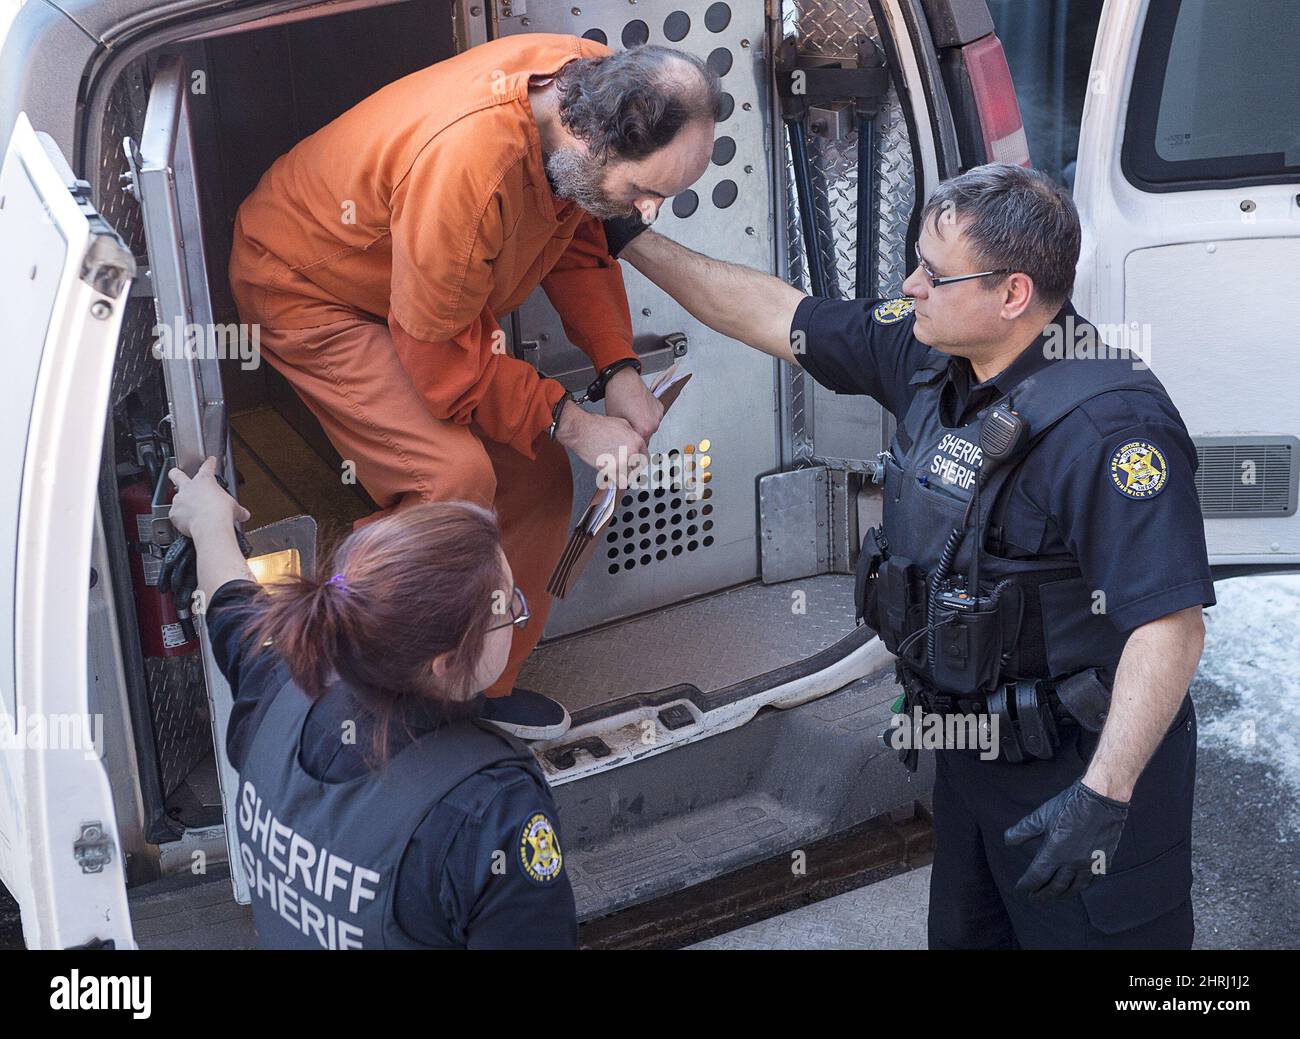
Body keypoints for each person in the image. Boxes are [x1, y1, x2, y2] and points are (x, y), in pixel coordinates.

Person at [607, 163, 1215, 949]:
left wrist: (1105, 793)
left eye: (933, 273)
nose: (909, 285)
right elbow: (777, 314)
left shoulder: (1109, 429)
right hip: (971, 765)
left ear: (1013, 294)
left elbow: (1169, 624)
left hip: (1084, 772)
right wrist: (628, 239)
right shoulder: (932, 347)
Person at [228, 36, 721, 739]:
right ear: (590, 139)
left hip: (422, 299)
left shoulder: (594, 87)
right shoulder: (469, 165)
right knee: (451, 480)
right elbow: (443, 368)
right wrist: (578, 425)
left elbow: (582, 238)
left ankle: (476, 696)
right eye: (644, 191)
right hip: (311, 287)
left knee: (542, 478)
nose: (646, 213)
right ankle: (362, 705)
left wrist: (619, 369)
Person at [168, 457, 577, 949]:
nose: (516, 615)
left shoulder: (280, 683)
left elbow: (231, 602)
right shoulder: (492, 809)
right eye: (508, 606)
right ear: (446, 662)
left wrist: (207, 521)